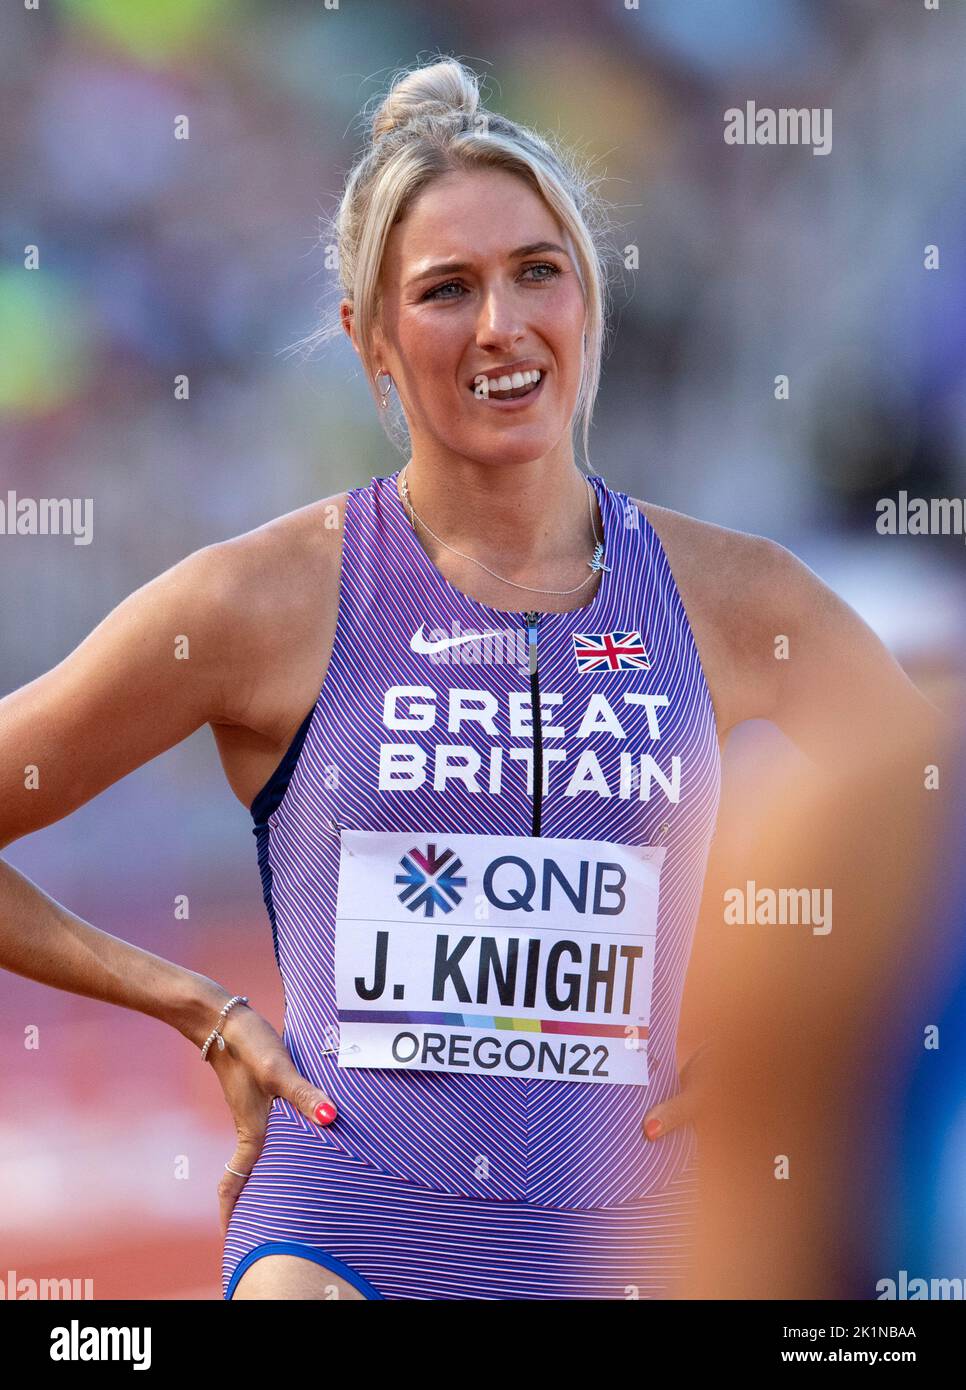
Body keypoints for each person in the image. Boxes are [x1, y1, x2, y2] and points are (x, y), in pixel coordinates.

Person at [0, 57, 944, 1301]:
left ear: (588, 300)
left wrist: (799, 1036)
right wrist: (196, 1006)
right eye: (446, 290)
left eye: (535, 272)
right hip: (341, 1246)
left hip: (633, 1255)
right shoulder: (260, 600)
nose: (501, 325)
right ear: (369, 336)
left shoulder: (738, 598)